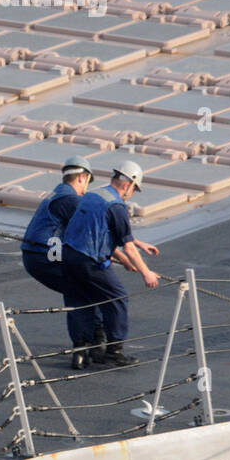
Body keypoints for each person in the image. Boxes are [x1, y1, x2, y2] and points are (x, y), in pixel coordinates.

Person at [62, 160, 161, 368]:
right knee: (117, 298)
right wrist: (147, 273)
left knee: (79, 300)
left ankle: (80, 353)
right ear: (128, 184)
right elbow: (128, 248)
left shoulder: (92, 195)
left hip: (69, 256)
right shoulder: (117, 206)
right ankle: (114, 351)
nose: (132, 194)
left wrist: (138, 243)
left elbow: (103, 228)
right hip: (91, 261)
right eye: (135, 189)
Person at [21, 155, 94, 366]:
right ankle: (84, 347)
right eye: (87, 181)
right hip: (44, 255)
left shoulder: (57, 193)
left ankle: (92, 342)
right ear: (82, 177)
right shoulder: (70, 199)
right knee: (81, 290)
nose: (86, 188)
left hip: (36, 253)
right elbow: (90, 230)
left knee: (84, 288)